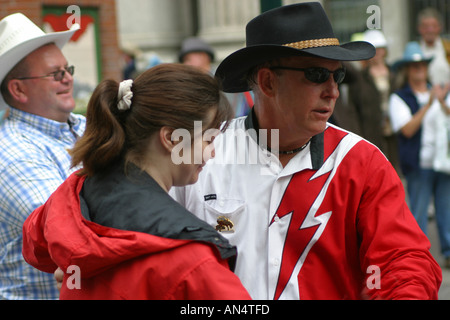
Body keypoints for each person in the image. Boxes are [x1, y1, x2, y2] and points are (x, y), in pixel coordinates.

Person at [170, 3, 442, 300]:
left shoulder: (363, 162)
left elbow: (401, 263)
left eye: (337, 76)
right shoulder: (195, 154)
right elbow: (151, 255)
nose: (333, 90)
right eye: (316, 74)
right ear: (267, 82)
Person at [22, 63, 251, 300]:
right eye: (208, 139)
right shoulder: (192, 259)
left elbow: (35, 246)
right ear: (171, 138)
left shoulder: (73, 195)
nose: (212, 153)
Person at [0, 13, 84, 300]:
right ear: (18, 89)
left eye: (68, 68)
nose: (69, 78)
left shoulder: (86, 125)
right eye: (56, 74)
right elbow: (69, 232)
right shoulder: (9, 152)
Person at [389, 41, 450, 269]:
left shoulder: (439, 90)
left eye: (423, 65)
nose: (419, 70)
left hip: (443, 163)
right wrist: (428, 105)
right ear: (406, 70)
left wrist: (441, 101)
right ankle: (420, 259)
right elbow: (407, 129)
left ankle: (448, 253)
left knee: (446, 210)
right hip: (418, 164)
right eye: (414, 67)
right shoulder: (399, 97)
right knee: (418, 214)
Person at [179, 37, 253, 117]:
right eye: (184, 61)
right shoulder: (189, 83)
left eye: (189, 59)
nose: (186, 64)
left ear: (203, 56)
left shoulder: (223, 77)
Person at [417, 7, 450, 86]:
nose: (430, 30)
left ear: (440, 27)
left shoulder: (448, 47)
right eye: (426, 27)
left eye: (434, 26)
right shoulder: (415, 50)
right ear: (419, 28)